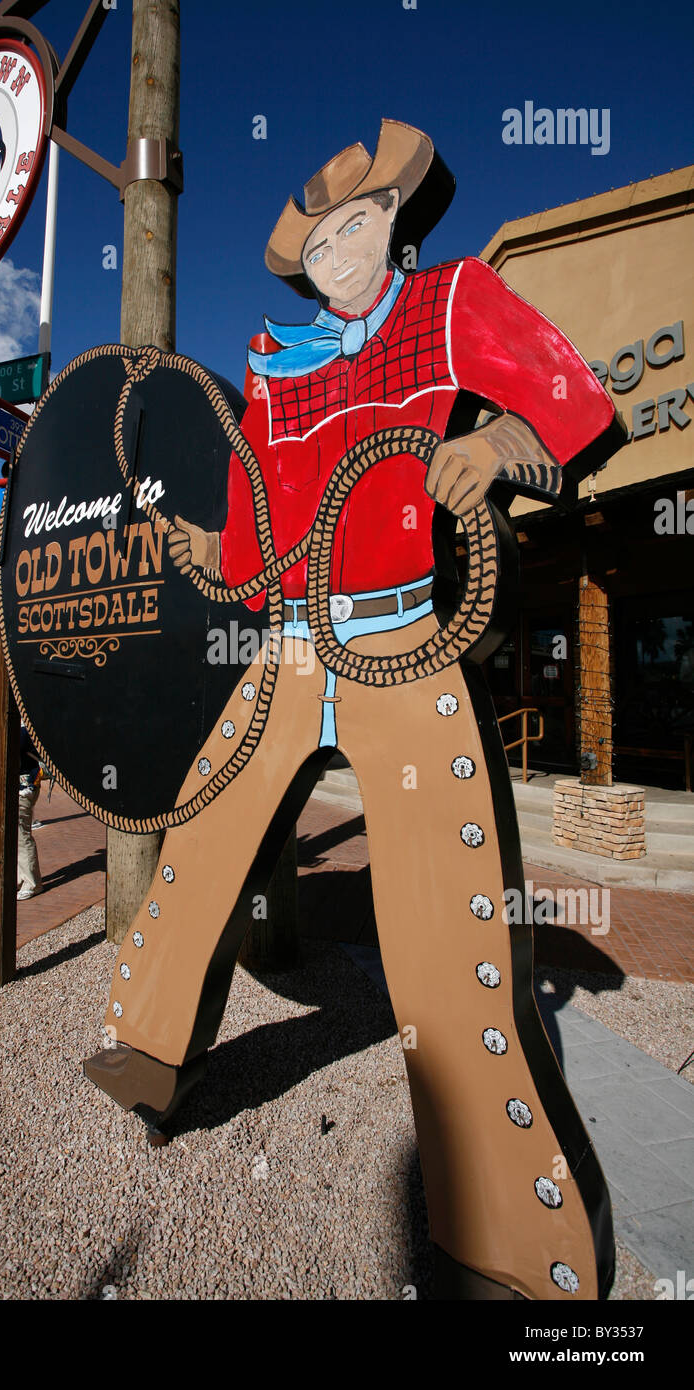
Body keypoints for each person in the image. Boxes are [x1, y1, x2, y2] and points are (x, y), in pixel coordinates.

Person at [88, 120, 625, 1300]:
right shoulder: (273, 363)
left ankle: (504, 1226)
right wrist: (208, 547)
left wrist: (495, 442)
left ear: (392, 218)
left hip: (396, 640)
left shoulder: (446, 303)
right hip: (285, 643)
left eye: (354, 224)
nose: (335, 247)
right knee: (201, 826)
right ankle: (144, 1048)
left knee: (444, 912)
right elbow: (250, 537)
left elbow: (574, 397)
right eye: (317, 235)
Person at [17, 722, 43, 900]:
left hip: (25, 786)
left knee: (22, 835)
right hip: (25, 785)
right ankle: (22, 877)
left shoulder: (25, 728)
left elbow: (16, 745)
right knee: (18, 834)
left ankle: (32, 883)